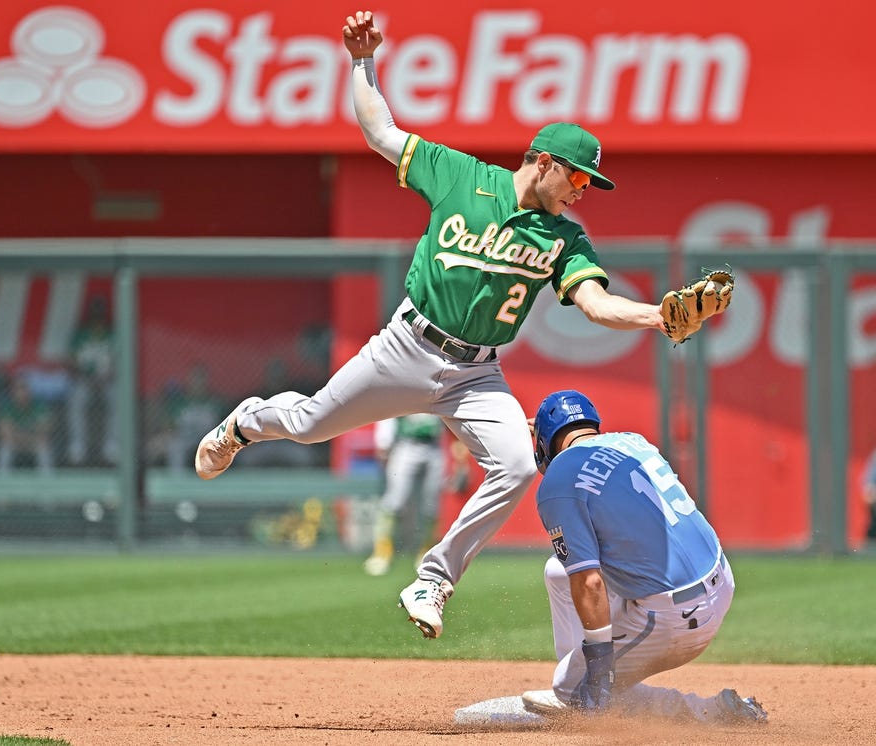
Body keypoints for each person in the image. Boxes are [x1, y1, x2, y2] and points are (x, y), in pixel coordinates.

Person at [192, 9, 705, 641]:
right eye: (577, 176)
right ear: (542, 163)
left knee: (518, 466)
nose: (582, 190)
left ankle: (433, 579)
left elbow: (597, 304)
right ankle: (244, 422)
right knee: (308, 425)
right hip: (407, 346)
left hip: (475, 372)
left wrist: (658, 315)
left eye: (589, 182)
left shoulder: (565, 237)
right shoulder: (462, 175)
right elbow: (381, 130)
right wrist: (361, 61)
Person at [518, 390, 766, 724]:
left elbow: (590, 582)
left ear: (544, 444)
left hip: (673, 617)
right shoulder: (633, 442)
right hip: (719, 580)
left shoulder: (557, 483)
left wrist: (600, 668)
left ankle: (714, 712)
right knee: (557, 570)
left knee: (571, 693)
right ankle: (579, 674)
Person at [363, 414, 469, 576]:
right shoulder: (401, 390)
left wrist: (458, 446)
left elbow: (450, 416)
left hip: (434, 446)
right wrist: (383, 443)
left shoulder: (440, 390)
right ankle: (382, 552)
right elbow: (388, 412)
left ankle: (426, 552)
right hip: (405, 445)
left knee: (431, 506)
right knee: (395, 501)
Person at [65, 295, 117, 466]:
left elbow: (120, 362)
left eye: (99, 313)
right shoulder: (80, 334)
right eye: (94, 313)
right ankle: (77, 445)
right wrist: (86, 377)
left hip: (107, 381)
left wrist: (106, 376)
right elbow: (71, 362)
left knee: (118, 396)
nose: (97, 317)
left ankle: (113, 445)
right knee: (77, 396)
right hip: (84, 381)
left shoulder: (112, 335)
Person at [0, 373, 55, 476]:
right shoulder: (7, 407)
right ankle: (3, 479)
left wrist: (24, 436)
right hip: (15, 442)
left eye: (24, 388)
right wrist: (25, 436)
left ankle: (47, 480)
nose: (22, 392)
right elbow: (4, 432)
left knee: (44, 446)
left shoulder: (38, 405)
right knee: (4, 447)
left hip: (34, 442)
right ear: (13, 392)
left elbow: (45, 429)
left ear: (29, 391)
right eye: (18, 389)